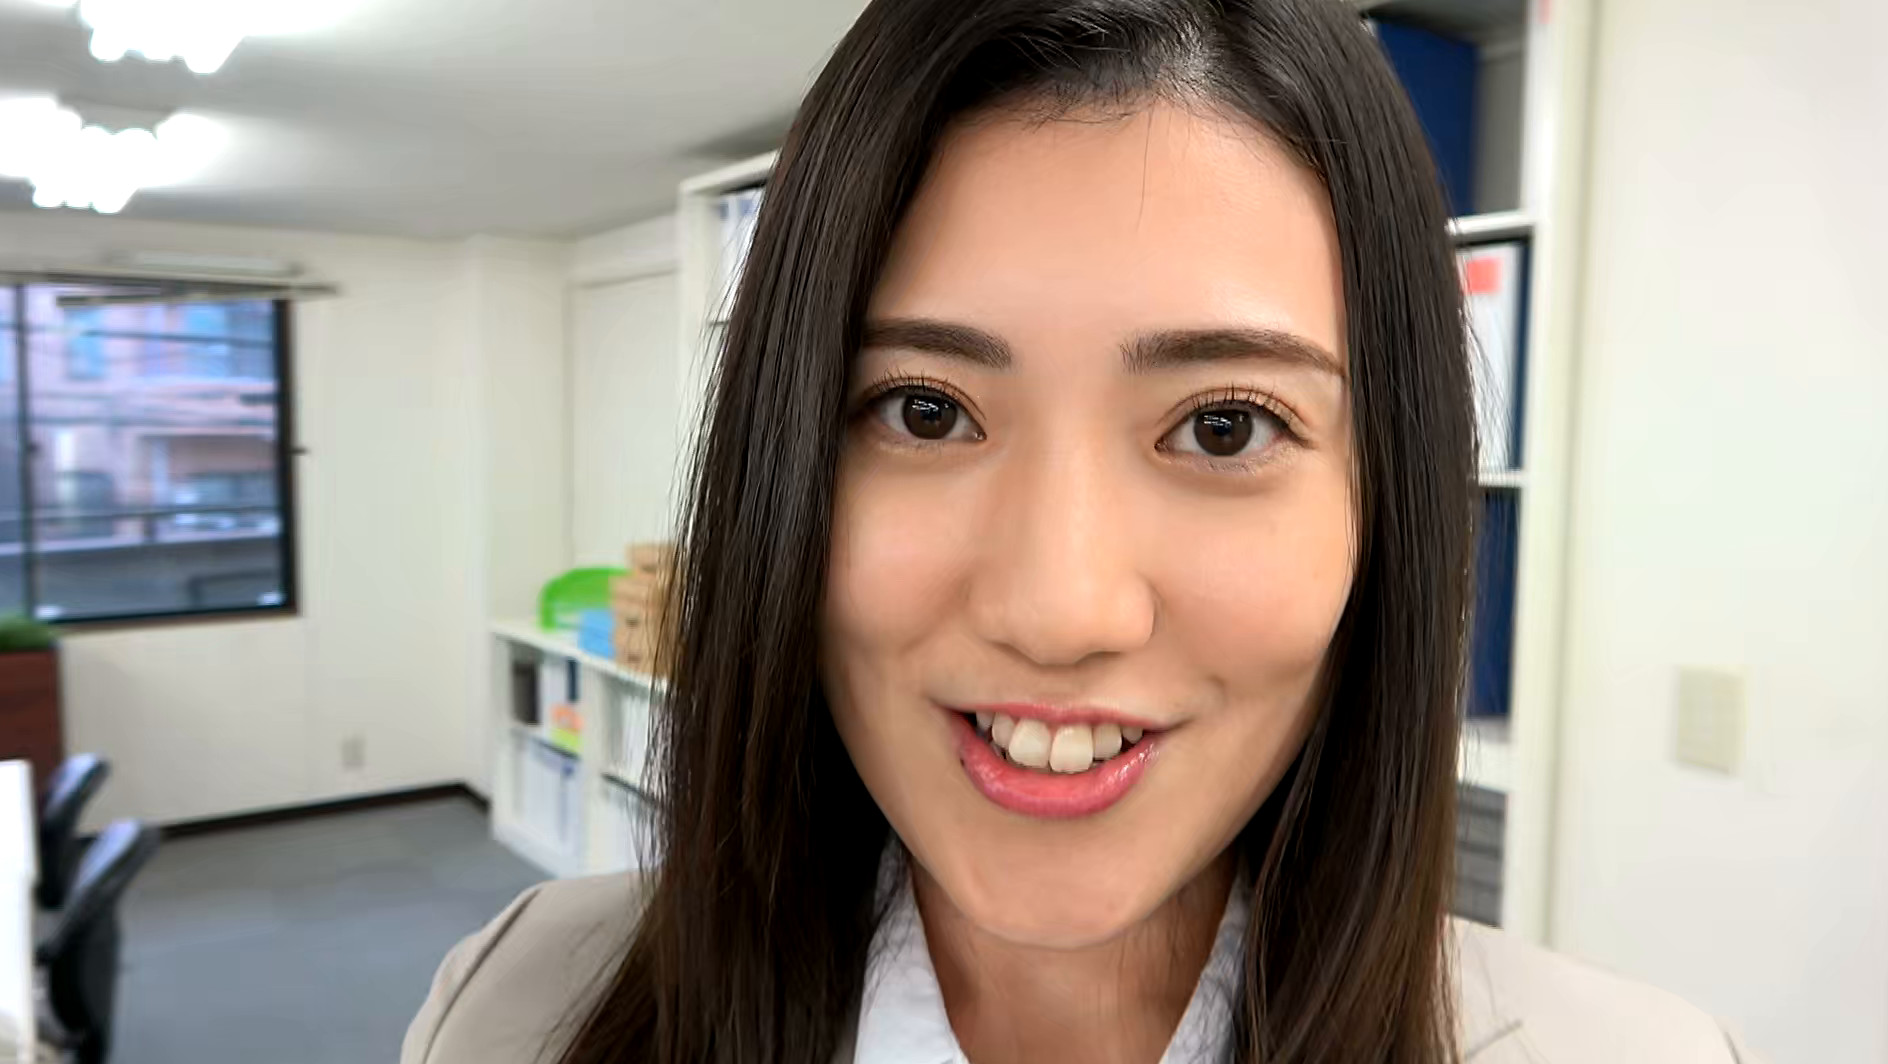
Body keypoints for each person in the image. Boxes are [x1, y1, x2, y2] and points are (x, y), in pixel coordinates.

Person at [404, 1, 1756, 1061]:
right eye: (925, 411)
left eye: (1223, 427)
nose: (1059, 611)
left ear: (1383, 505)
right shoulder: (506, 1017)